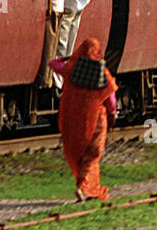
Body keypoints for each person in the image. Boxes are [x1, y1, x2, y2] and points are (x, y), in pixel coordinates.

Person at [50, 38, 117, 201]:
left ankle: (88, 187)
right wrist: (113, 113)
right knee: (93, 154)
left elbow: (53, 63)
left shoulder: (71, 69)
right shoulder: (103, 73)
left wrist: (69, 58)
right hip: (96, 120)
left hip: (74, 118)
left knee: (79, 153)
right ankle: (83, 187)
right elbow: (111, 99)